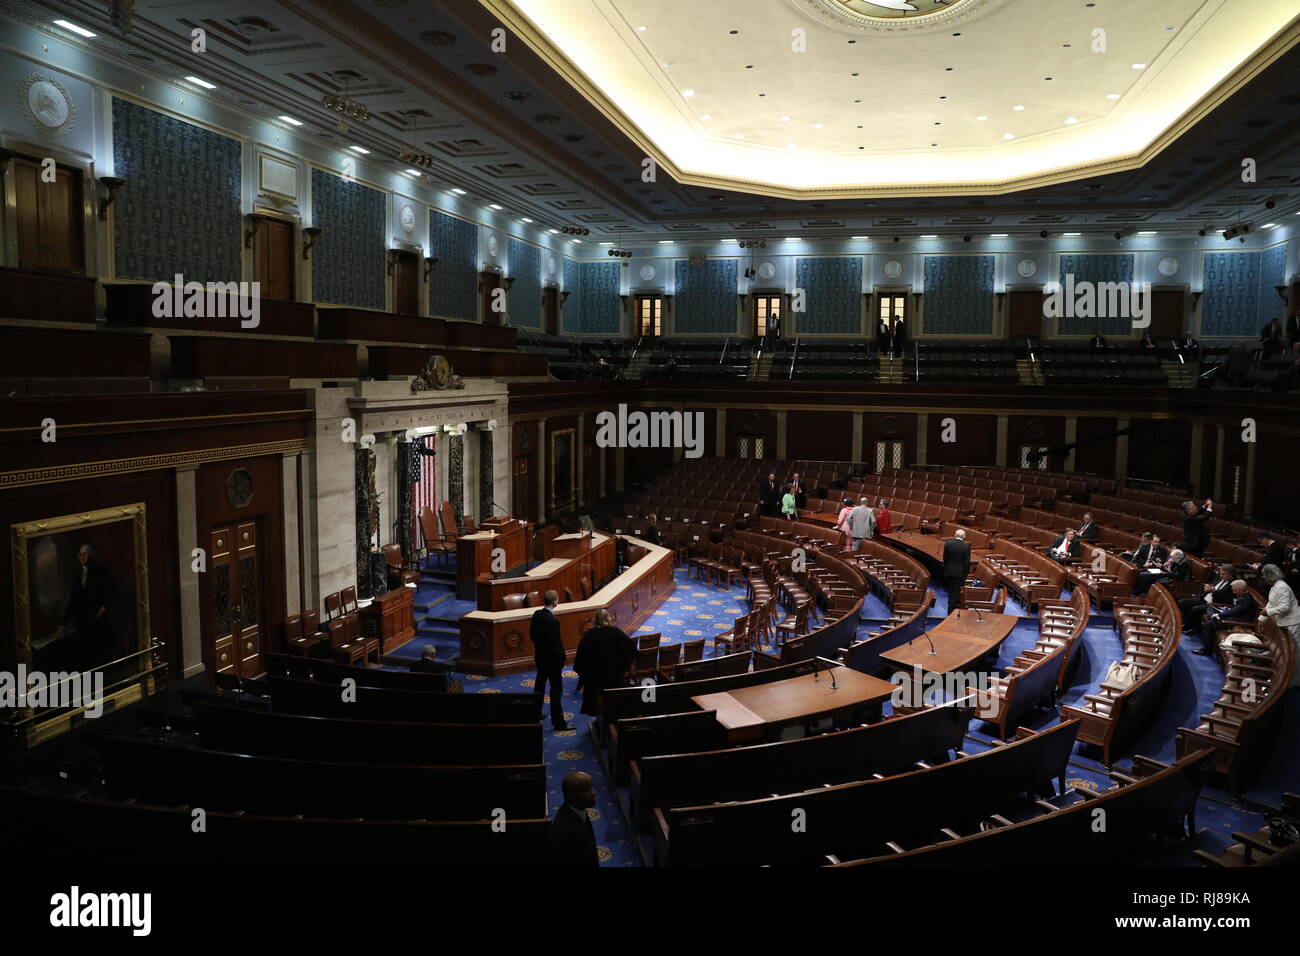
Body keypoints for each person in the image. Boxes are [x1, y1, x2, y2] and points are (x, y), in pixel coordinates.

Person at [573, 608, 635, 717]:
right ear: (608, 618)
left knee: (595, 700)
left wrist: (583, 674)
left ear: (595, 620)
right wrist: (623, 667)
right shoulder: (615, 631)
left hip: (594, 678)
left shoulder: (589, 634)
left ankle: (598, 719)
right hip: (613, 675)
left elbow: (580, 655)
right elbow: (630, 647)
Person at [54, 543, 115, 652]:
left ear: (91, 554)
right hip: (82, 622)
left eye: (85, 554)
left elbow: (109, 592)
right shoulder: (78, 575)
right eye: (80, 554)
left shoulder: (101, 571)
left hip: (97, 620)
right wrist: (64, 624)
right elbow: (73, 600)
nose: (82, 557)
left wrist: (102, 609)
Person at [529, 589, 571, 731]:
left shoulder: (536, 615)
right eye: (557, 599)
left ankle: (535, 714)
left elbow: (532, 635)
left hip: (540, 658)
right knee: (556, 691)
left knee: (539, 686)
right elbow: (555, 644)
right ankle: (559, 722)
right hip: (552, 662)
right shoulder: (553, 621)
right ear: (554, 601)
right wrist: (562, 658)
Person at [1259, 565, 1300, 687]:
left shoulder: (1282, 587)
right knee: (1289, 651)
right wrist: (1261, 619)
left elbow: (1284, 607)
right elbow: (1271, 603)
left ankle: (1295, 682)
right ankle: (1287, 679)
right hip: (1284, 622)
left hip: (1293, 623)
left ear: (1269, 577)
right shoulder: (1275, 586)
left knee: (1295, 652)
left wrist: (1267, 613)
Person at [549, 771, 599, 868]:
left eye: (592, 787)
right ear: (573, 796)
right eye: (587, 790)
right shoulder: (566, 832)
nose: (593, 792)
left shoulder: (579, 810)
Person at [1196, 580, 1256, 655]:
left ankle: (1207, 650)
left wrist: (1219, 615)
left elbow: (1235, 611)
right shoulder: (1242, 595)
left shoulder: (1247, 599)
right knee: (1210, 609)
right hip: (1232, 616)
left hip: (1237, 622)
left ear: (1241, 590)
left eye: (1235, 590)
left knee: (1207, 625)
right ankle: (1213, 617)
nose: (1234, 592)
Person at [1179, 565, 1235, 634]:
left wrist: (1214, 591)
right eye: (1220, 573)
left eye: (1223, 574)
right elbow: (1211, 585)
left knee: (1196, 609)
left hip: (1214, 604)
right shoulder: (1218, 578)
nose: (1221, 576)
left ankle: (1193, 628)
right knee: (1182, 602)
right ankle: (1189, 624)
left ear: (1230, 575)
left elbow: (1227, 600)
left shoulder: (1233, 585)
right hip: (1205, 598)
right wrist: (1207, 589)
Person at [942, 529, 971, 614]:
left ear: (955, 535)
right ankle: (951, 611)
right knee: (956, 591)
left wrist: (948, 568)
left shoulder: (948, 544)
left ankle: (950, 605)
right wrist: (965, 574)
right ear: (964, 537)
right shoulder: (966, 547)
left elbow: (945, 558)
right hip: (959, 573)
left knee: (950, 590)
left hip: (949, 571)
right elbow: (966, 563)